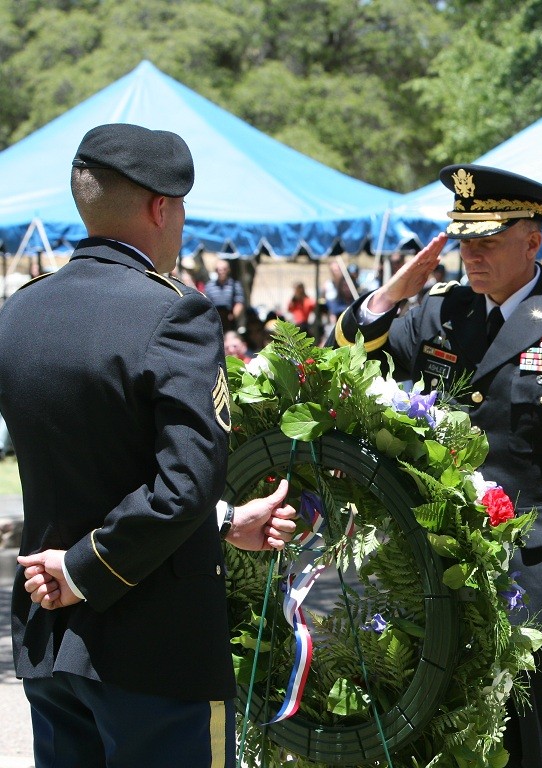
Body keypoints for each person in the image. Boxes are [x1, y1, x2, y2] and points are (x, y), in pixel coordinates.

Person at [331, 165, 542, 768]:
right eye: (464, 240)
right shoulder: (436, 315)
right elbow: (347, 374)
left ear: (532, 241)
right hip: (444, 564)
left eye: (487, 240)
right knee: (452, 732)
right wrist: (386, 299)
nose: (471, 255)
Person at [0, 123, 297, 768]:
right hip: (153, 652)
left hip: (50, 638)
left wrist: (221, 522)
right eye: (182, 208)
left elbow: (102, 474)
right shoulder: (173, 313)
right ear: (161, 208)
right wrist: (83, 571)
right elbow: (184, 483)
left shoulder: (20, 312)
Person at [204, 258, 246, 331]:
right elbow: (206, 303)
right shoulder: (209, 286)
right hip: (214, 321)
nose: (221, 272)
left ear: (228, 270)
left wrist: (232, 317)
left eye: (224, 269)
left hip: (231, 321)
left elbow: (239, 302)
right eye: (218, 269)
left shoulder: (235, 285)